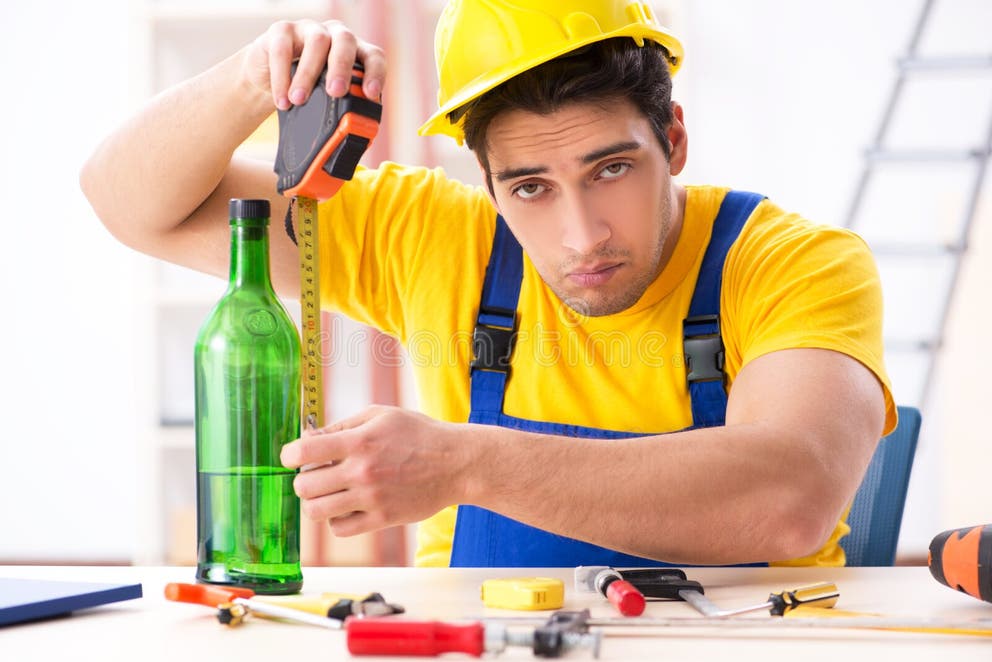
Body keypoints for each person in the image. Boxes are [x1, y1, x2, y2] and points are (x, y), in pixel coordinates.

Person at [81, 0, 895, 568]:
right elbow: (130, 205)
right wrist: (254, 81)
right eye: (531, 187)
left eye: (611, 168)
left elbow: (791, 496)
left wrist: (465, 466)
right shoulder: (433, 236)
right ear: (486, 178)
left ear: (673, 138)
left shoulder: (793, 261)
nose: (582, 236)